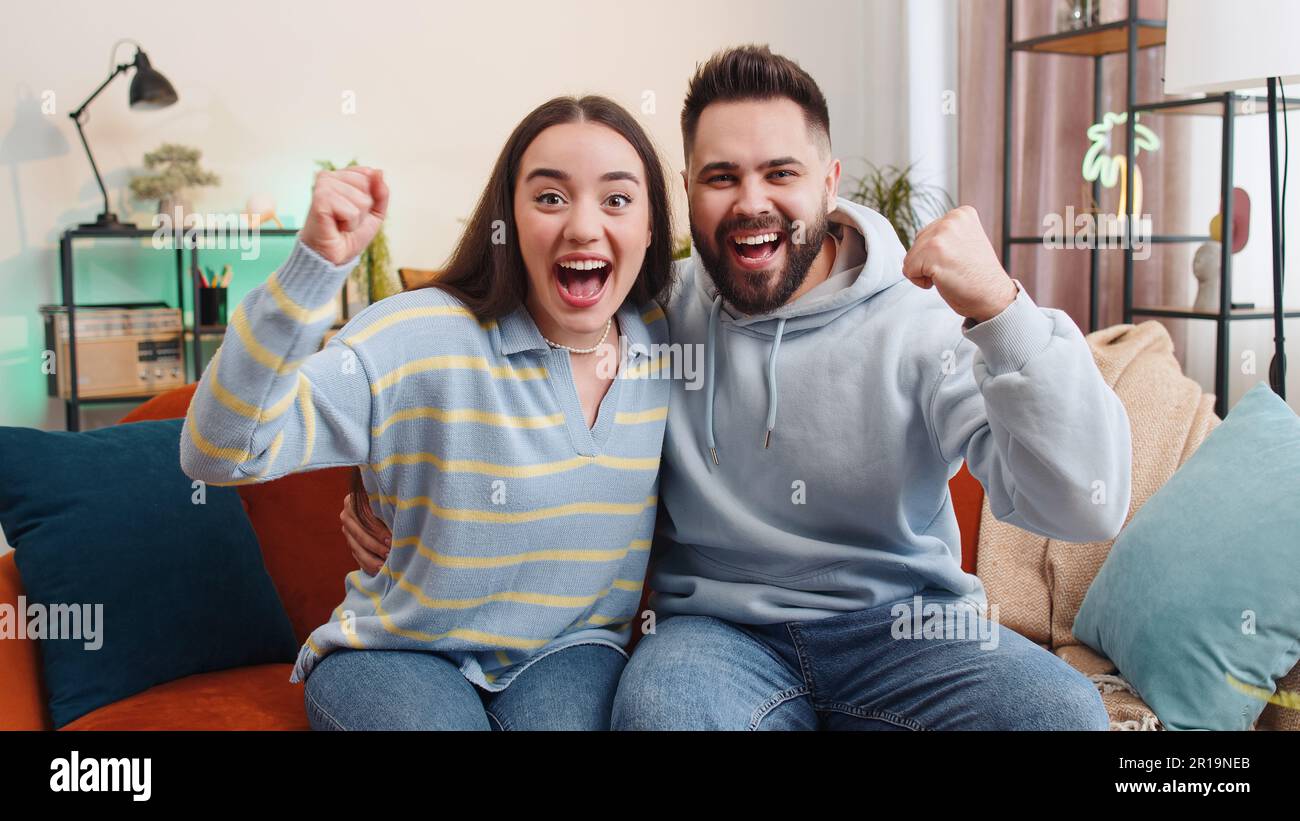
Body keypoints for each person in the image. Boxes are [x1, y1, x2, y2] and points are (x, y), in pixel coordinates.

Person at [340, 46, 1133, 730]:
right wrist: (382, 483)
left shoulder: (925, 316)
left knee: (1063, 715)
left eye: (780, 172)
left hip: (906, 628)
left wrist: (1001, 307)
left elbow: (1083, 504)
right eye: (723, 177)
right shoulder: (651, 310)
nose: (752, 201)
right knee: (663, 717)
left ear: (829, 180)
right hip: (715, 633)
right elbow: (500, 362)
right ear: (687, 190)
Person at [180, 94, 675, 730]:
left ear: (651, 226)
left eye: (617, 199)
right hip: (397, 653)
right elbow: (218, 452)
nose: (582, 226)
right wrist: (309, 275)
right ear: (507, 220)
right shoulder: (416, 335)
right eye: (550, 197)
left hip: (571, 652)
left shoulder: (667, 337)